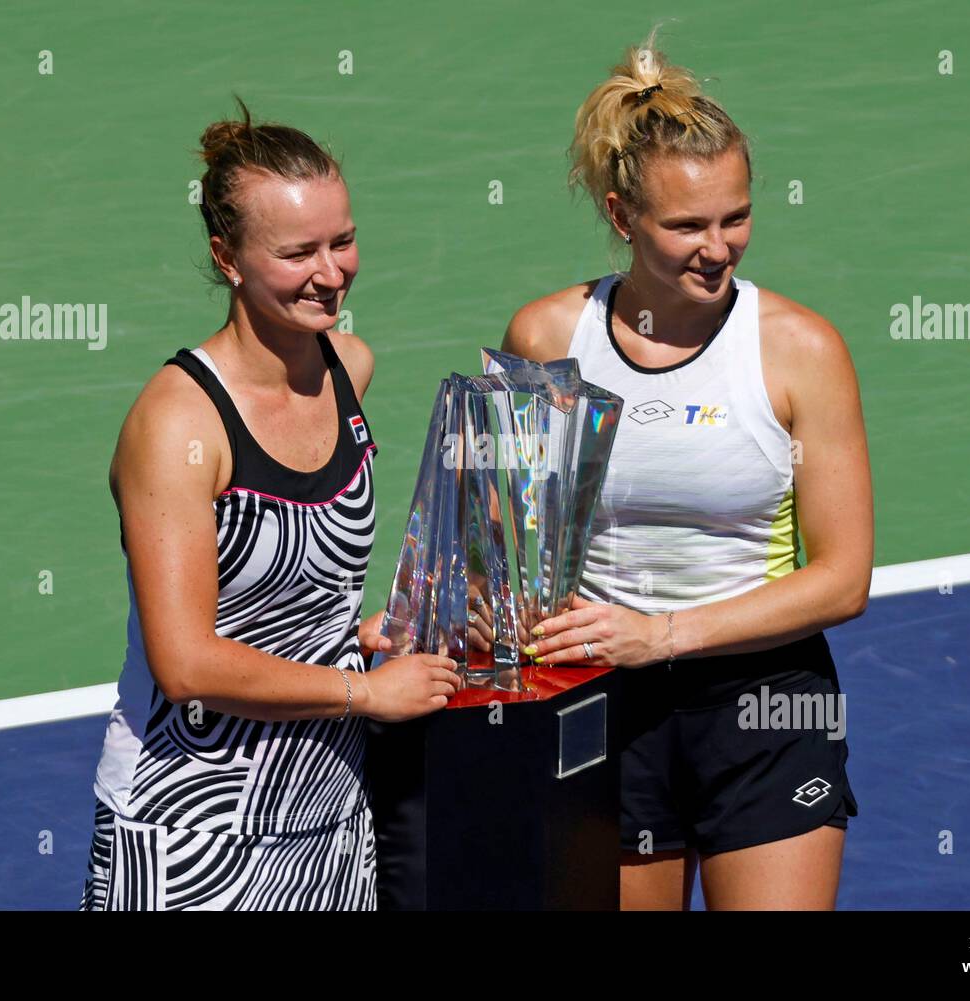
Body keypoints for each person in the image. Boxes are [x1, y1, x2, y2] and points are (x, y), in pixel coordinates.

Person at [502, 31, 874, 910]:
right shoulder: (547, 340)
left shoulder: (801, 351)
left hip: (767, 711)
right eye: (687, 226)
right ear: (622, 215)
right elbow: (511, 546)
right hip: (600, 710)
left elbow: (843, 578)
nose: (719, 246)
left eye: (735, 216)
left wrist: (664, 634)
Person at [80, 100, 460, 911]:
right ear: (227, 257)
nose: (332, 272)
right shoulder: (177, 424)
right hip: (190, 837)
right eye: (298, 253)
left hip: (331, 820)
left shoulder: (346, 369)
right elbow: (186, 664)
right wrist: (366, 691)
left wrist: (365, 634)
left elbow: (296, 603)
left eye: (342, 239)